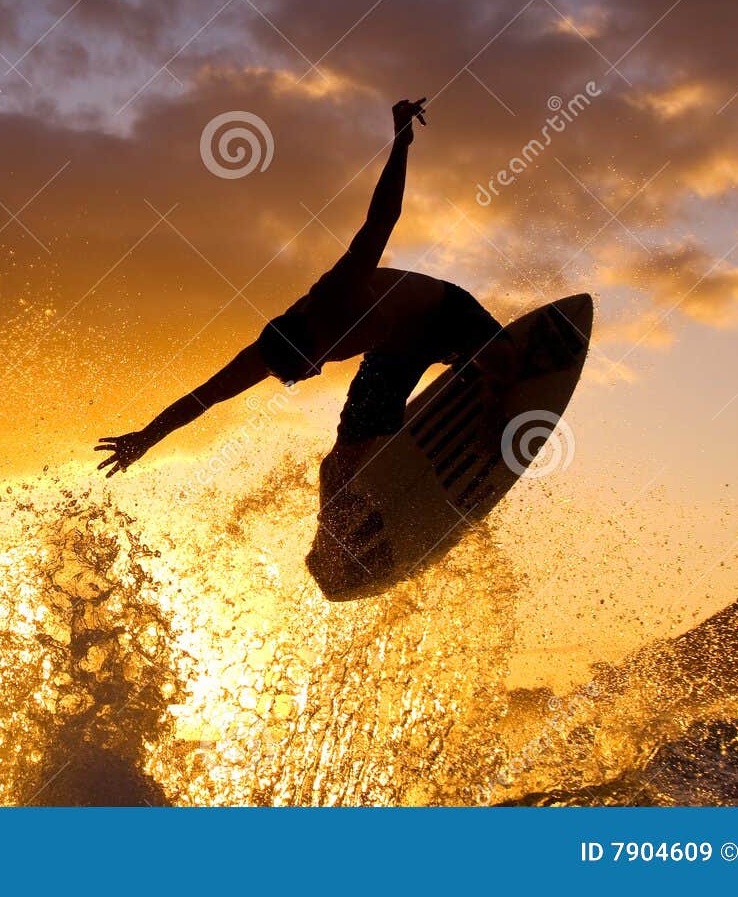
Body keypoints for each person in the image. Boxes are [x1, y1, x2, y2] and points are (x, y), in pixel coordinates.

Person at [95, 97, 515, 599]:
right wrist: (146, 435)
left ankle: (493, 406)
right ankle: (339, 547)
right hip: (393, 351)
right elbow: (205, 396)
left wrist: (401, 140)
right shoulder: (269, 351)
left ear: (315, 345)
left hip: (444, 314)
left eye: (304, 372)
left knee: (503, 362)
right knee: (336, 466)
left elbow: (382, 218)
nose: (305, 379)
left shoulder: (337, 291)